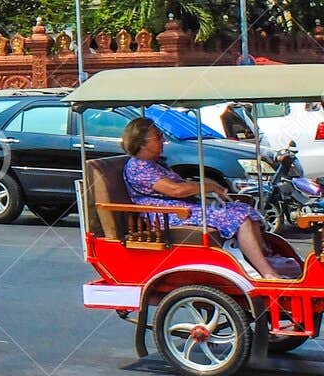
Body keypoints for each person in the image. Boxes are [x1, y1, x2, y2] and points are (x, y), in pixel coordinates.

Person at [121, 117, 300, 280]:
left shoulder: (155, 164)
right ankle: (268, 273)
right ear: (142, 143)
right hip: (168, 216)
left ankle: (263, 259)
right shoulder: (139, 167)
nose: (162, 140)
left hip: (182, 209)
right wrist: (209, 186)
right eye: (157, 137)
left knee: (244, 209)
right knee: (240, 218)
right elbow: (175, 190)